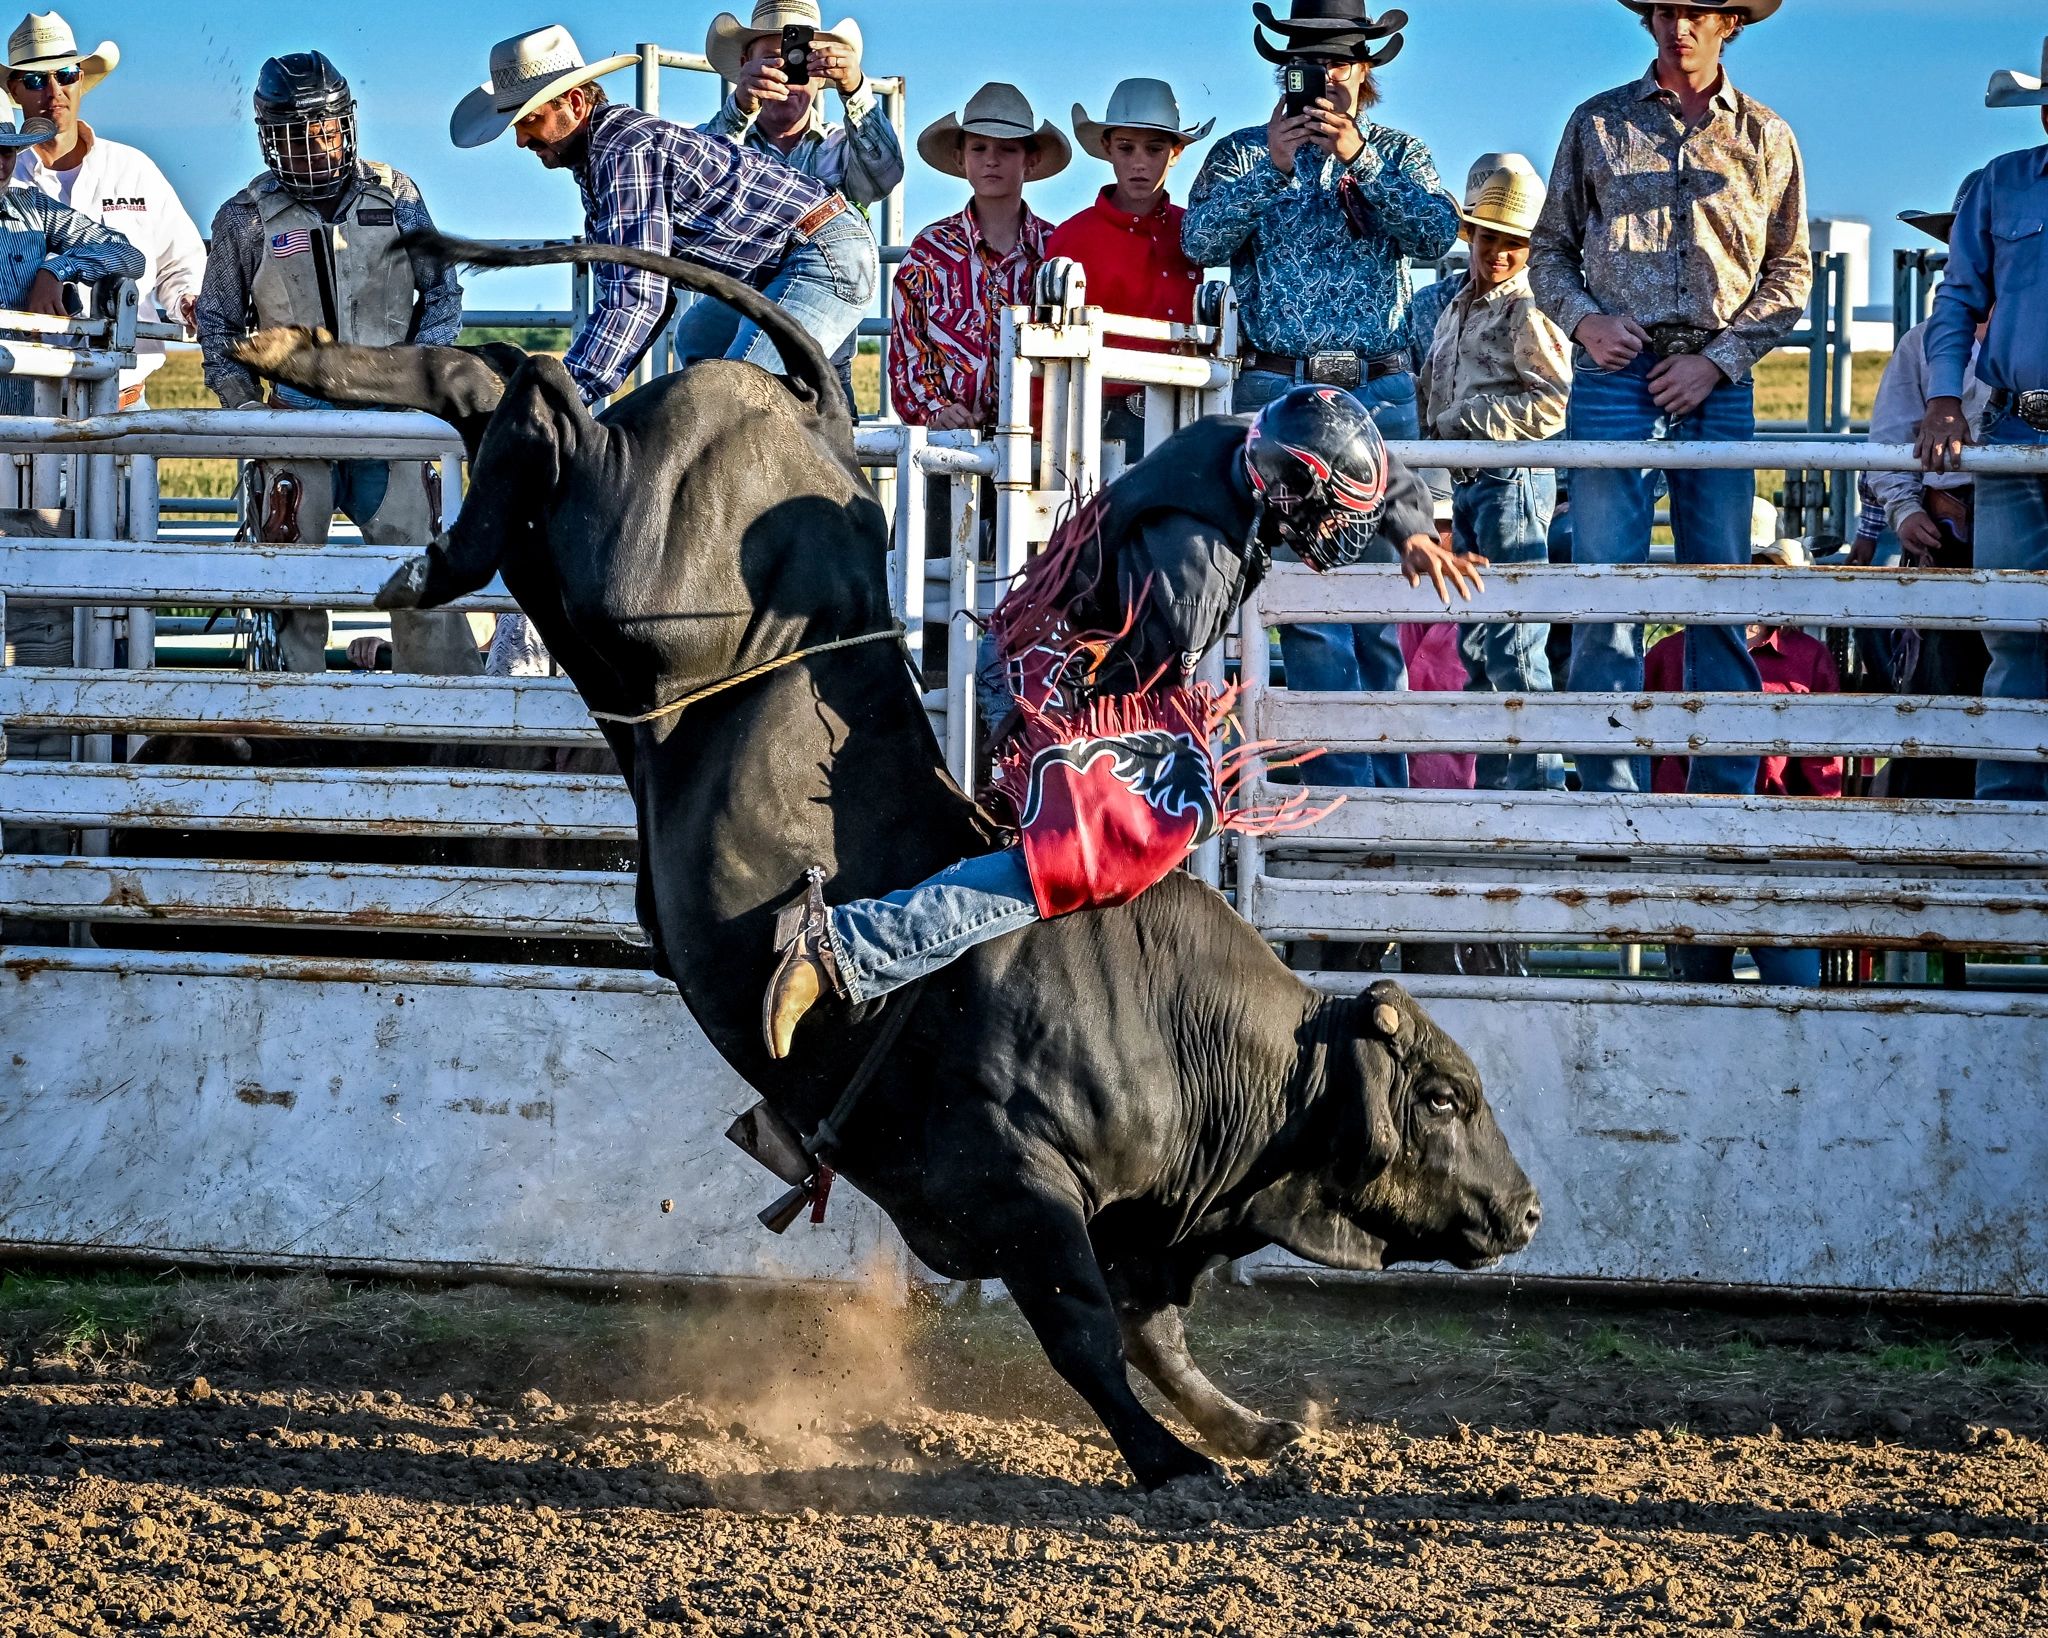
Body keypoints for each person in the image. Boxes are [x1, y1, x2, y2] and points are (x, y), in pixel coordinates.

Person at [762, 385, 1483, 1058]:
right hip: (1060, 684)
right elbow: (1143, 691)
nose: (1343, 531)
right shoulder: (1196, 562)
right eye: (1336, 514)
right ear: (1290, 491)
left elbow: (1355, 453)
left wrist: (1412, 531)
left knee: (1121, 847)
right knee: (1078, 859)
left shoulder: (1249, 441)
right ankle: (848, 951)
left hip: (1071, 652)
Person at [1530, 0, 1810, 798]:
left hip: (1717, 383)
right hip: (1616, 374)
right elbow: (1548, 250)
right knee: (1603, 593)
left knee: (1720, 590)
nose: (1677, 26)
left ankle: (1721, 800)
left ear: (1729, 24)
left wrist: (1718, 361)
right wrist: (1586, 322)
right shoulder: (1597, 124)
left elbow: (1790, 271)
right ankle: (1609, 801)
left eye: (1695, 12)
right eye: (1664, 11)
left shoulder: (1767, 135)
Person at [1183, 0, 1459, 791]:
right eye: (1308, 60)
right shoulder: (1243, 155)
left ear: (1364, 71)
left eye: (1337, 60)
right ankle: (1341, 798)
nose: (1323, 76)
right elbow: (1198, 242)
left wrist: (1359, 158)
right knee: (1307, 606)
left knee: (1379, 611)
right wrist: (1272, 168)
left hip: (1377, 388)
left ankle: (1383, 800)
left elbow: (1436, 235)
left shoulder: (1397, 152)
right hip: (1280, 387)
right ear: (1285, 70)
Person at [196, 51, 481, 678]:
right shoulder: (245, 217)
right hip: (294, 423)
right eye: (298, 134)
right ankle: (291, 716)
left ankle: (443, 713)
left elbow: (441, 293)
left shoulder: (396, 195)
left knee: (422, 575)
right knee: (290, 587)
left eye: (326, 129)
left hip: (390, 421)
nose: (317, 146)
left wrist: (416, 380)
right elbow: (218, 323)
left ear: (346, 123)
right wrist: (245, 409)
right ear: (270, 139)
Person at [452, 22, 878, 406]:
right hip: (784, 259)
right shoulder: (602, 159)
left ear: (576, 103)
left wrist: (558, 398)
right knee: (698, 337)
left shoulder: (625, 152)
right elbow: (638, 286)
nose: (521, 140)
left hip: (822, 255)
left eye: (531, 120)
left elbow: (637, 296)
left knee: (734, 402)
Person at [1917, 37, 2048, 803]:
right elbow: (1957, 299)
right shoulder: (2002, 183)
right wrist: (1943, 399)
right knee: (2011, 629)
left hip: (2017, 439)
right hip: (2015, 430)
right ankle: (2006, 815)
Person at [1418, 158, 1569, 792]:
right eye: (1489, 237)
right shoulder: (1461, 303)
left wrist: (1460, 420)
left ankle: (1537, 783)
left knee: (1514, 636)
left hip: (1511, 478)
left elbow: (1553, 402)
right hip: (1476, 481)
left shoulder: (1529, 307)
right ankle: (1504, 781)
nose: (1500, 252)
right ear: (1472, 237)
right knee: (1481, 641)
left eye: (1514, 241)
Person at [1649, 538, 1838, 987]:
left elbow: (1822, 761)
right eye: (1743, 567)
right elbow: (1647, 752)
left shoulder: (1807, 656)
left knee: (1793, 986)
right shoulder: (1668, 654)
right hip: (1691, 842)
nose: (1750, 580)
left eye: (1762, 569)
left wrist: (1822, 835)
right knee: (1700, 984)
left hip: (1780, 843)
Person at [700, 1, 903, 409]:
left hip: (824, 374)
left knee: (705, 354)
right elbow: (695, 186)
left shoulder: (840, 147)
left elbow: (887, 173)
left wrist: (856, 90)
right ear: (744, 64)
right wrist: (739, 108)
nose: (786, 74)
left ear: (822, 73)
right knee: (697, 336)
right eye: (772, 59)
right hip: (749, 337)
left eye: (798, 59)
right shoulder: (719, 139)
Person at [5, 11, 202, 409]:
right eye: (36, 80)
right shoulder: (11, 183)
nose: (54, 91)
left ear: (81, 79)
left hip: (122, 397)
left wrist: (188, 302)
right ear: (15, 91)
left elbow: (179, 263)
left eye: (65, 75)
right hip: (24, 402)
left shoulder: (133, 168)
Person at [1047, 78, 1212, 462]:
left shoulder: (1194, 232)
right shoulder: (1072, 238)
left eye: (1154, 149)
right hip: (1098, 418)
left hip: (1187, 408)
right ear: (1108, 148)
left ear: (1175, 153)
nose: (1139, 162)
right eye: (1126, 147)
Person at [887, 83, 1067, 430]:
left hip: (1039, 436)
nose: (991, 160)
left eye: (1007, 149)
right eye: (979, 148)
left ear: (1030, 161)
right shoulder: (930, 252)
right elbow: (910, 349)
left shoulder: (1056, 250)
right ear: (961, 158)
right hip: (950, 439)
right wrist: (936, 409)